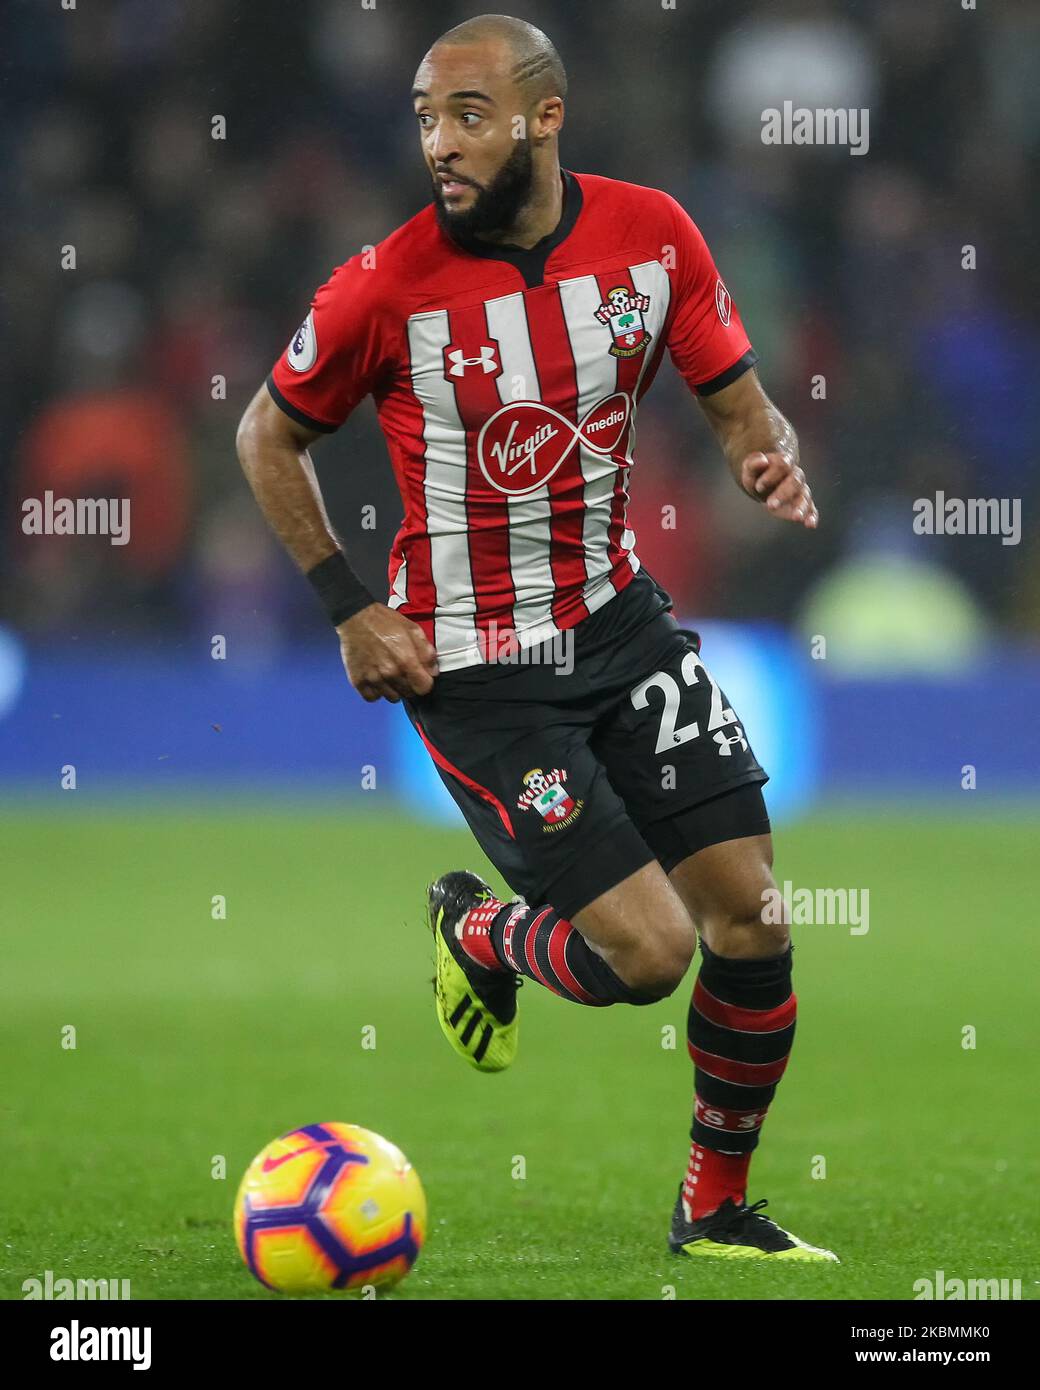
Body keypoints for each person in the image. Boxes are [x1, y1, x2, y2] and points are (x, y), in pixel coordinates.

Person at [236, 14, 835, 1262]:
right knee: (649, 955)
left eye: (464, 115)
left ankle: (713, 1208)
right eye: (421, 117)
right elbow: (265, 435)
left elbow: (734, 398)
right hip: (475, 668)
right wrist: (349, 603)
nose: (437, 145)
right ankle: (478, 933)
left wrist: (759, 453)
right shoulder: (384, 282)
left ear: (542, 118)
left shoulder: (652, 235)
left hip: (619, 625)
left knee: (754, 921)